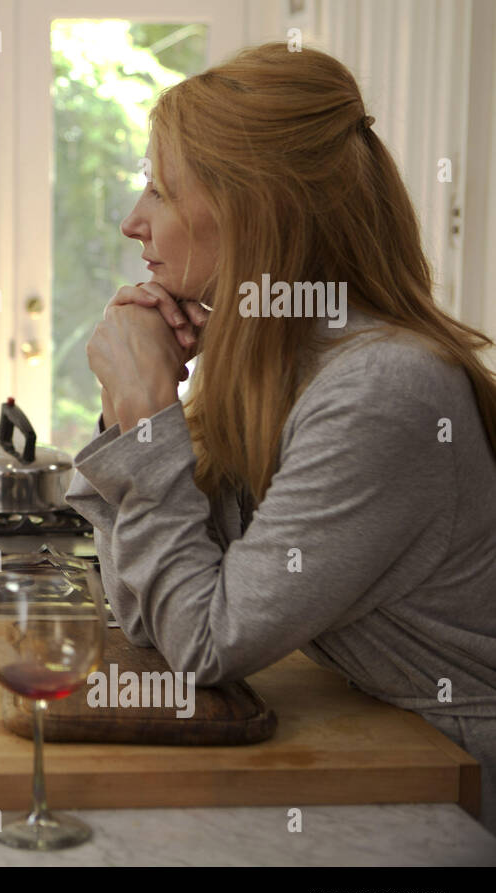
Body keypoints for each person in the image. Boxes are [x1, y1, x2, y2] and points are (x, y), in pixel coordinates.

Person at [64, 43, 496, 833]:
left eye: (160, 188)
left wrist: (148, 414)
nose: (133, 220)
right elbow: (147, 614)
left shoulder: (382, 391)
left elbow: (201, 643)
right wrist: (132, 405)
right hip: (386, 744)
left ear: (253, 212)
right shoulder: (284, 363)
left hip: (458, 793)